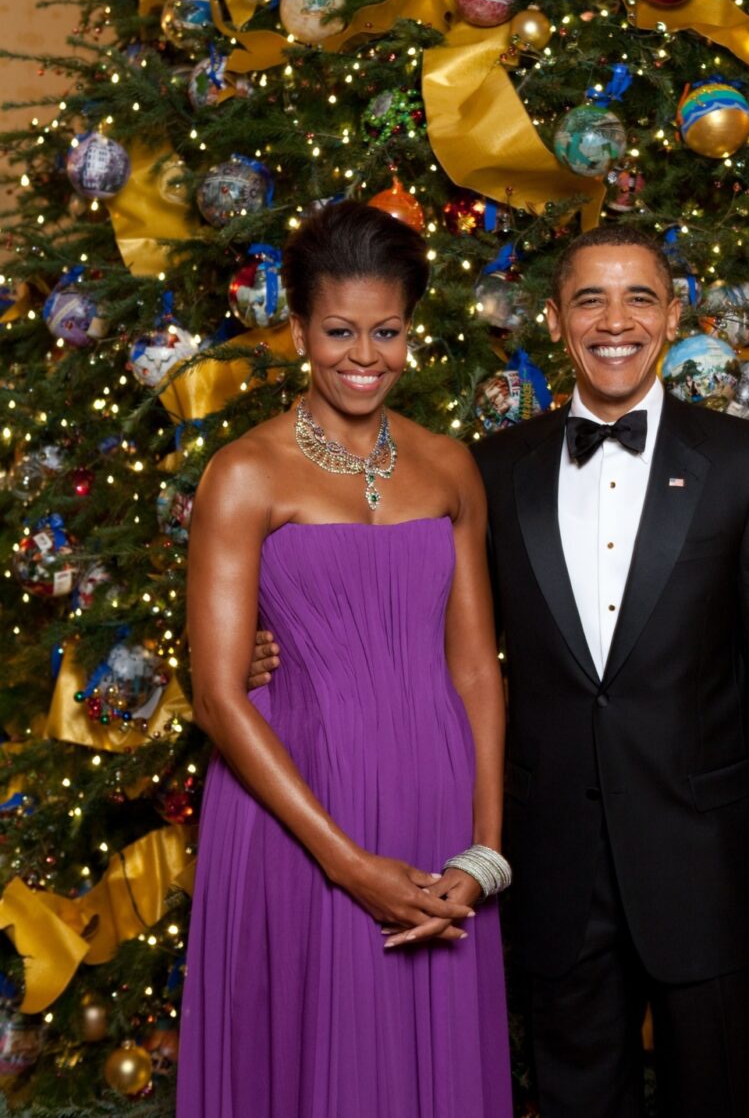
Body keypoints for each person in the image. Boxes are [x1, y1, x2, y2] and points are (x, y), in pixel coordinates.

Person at [249, 222, 749, 1117]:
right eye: (589, 299)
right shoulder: (490, 470)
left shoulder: (745, 465)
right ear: (557, 320)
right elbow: (423, 629)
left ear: (674, 315)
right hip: (553, 872)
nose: (616, 320)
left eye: (640, 297)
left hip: (709, 876)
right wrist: (261, 653)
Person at [178, 201, 512, 1118]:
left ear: (411, 331)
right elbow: (216, 693)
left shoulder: (450, 467)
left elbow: (479, 669)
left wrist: (485, 851)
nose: (364, 356)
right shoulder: (244, 473)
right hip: (301, 814)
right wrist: (345, 862)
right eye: (338, 331)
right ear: (297, 332)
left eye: (387, 331)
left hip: (438, 808)